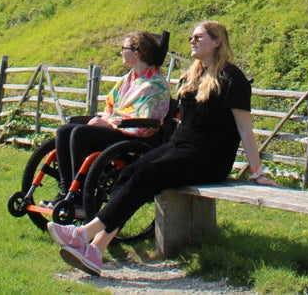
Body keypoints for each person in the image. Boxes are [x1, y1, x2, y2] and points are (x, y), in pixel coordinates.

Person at [47, 21, 276, 276]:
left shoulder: (232, 77)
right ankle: (95, 250)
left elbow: (245, 128)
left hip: (209, 156)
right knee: (128, 173)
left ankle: (83, 234)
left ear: (217, 41)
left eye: (199, 37)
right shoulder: (192, 75)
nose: (192, 40)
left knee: (149, 175)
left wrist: (257, 172)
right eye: (191, 37)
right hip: (179, 145)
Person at [47, 30, 170, 209]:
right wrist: (105, 120)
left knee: (80, 134)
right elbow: (111, 107)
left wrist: (109, 124)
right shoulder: (127, 79)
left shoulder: (155, 85)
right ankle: (68, 192)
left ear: (137, 53)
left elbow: (144, 123)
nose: (121, 52)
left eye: (124, 48)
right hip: (119, 130)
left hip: (136, 137)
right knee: (65, 130)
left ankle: (80, 197)